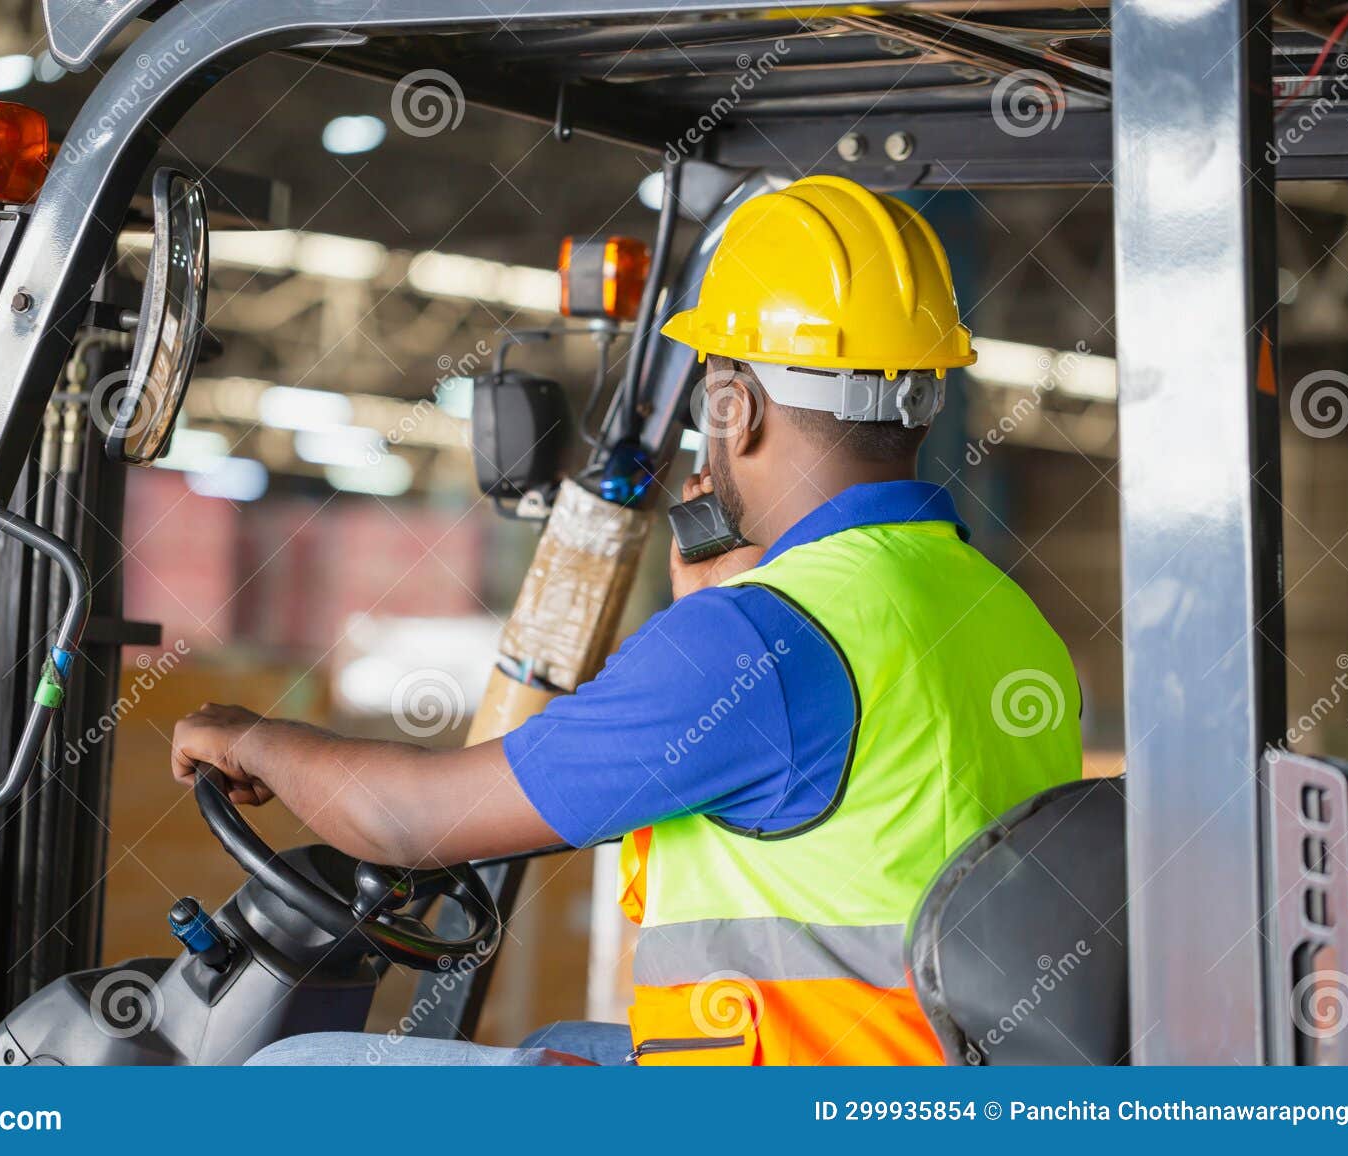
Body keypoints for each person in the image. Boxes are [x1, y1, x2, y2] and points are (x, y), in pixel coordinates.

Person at [171, 176, 1083, 1066]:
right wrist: (715, 616)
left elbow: (407, 822)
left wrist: (251, 739)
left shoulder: (758, 645)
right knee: (559, 1049)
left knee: (300, 1075)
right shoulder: (997, 608)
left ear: (737, 406)